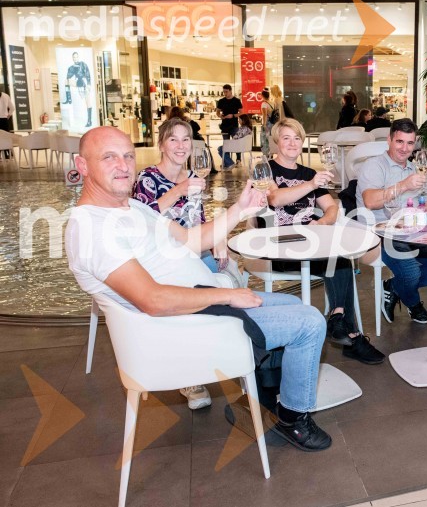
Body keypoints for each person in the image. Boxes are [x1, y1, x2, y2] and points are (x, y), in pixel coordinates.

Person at [66, 126, 332, 451]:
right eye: (109, 157)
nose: (123, 166)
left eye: (128, 156)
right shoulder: (92, 229)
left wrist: (239, 209)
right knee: (311, 322)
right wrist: (228, 294)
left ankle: (258, 405)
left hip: (200, 306)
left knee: (296, 308)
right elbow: (153, 299)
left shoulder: (132, 208)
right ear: (82, 165)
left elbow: (192, 241)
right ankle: (293, 419)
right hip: (187, 328)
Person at [265, 118, 385, 364]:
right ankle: (351, 335)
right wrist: (310, 185)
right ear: (277, 142)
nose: (292, 143)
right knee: (337, 259)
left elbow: (332, 208)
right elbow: (275, 199)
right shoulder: (267, 170)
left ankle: (339, 320)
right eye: (286, 138)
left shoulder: (309, 173)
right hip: (280, 247)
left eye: (297, 138)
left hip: (311, 243)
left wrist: (321, 223)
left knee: (341, 259)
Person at [132, 116, 227, 409]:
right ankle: (190, 376)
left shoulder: (193, 176)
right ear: (161, 145)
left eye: (186, 139)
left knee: (232, 279)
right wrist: (177, 191)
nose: (180, 145)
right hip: (163, 260)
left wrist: (218, 240)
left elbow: (198, 219)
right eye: (173, 139)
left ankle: (224, 353)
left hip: (194, 253)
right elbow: (140, 221)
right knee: (204, 296)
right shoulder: (147, 178)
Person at [357, 118, 427, 324]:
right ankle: (413, 302)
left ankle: (395, 287)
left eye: (410, 143)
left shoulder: (417, 169)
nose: (404, 148)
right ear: (389, 140)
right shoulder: (374, 165)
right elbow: (370, 201)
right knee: (411, 272)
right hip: (380, 234)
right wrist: (404, 185)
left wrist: (421, 210)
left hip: (413, 233)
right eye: (399, 141)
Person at [62, 51, 94, 128]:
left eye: (76, 57)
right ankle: (68, 99)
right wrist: (71, 69)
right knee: (66, 81)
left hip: (84, 83)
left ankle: (89, 121)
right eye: (74, 57)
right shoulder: (72, 67)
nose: (75, 58)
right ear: (72, 58)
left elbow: (88, 74)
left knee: (88, 101)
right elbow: (68, 77)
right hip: (78, 83)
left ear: (78, 57)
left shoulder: (83, 64)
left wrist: (89, 84)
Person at [261, 89, 276, 157]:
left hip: (267, 123)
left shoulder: (264, 104)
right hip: (273, 123)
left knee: (264, 139)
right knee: (270, 138)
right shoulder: (273, 103)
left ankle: (266, 155)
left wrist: (264, 124)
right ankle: (271, 154)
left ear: (262, 95)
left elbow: (265, 115)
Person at [0, 89, 13, 159]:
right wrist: (9, 115)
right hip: (4, 120)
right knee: (6, 136)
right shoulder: (6, 95)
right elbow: (12, 108)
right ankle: (8, 153)